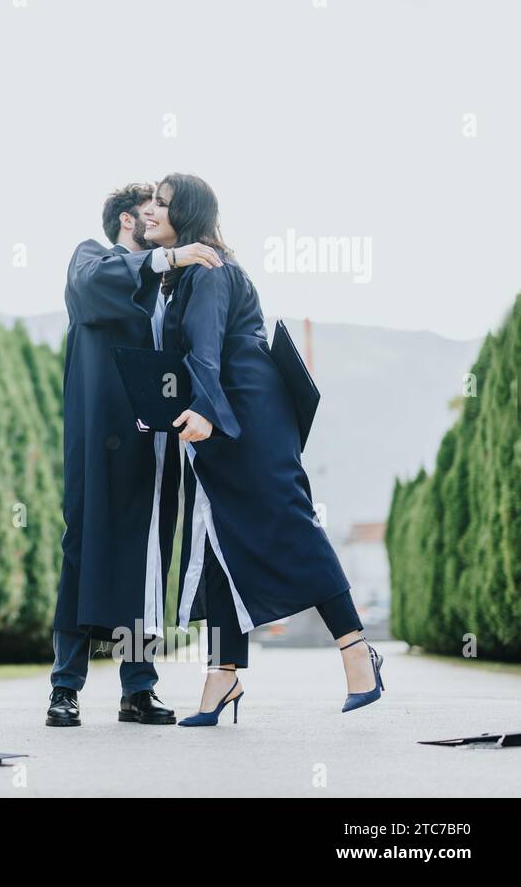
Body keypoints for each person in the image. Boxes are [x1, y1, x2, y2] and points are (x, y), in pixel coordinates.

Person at [145, 173, 384, 725]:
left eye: (162, 202)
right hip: (224, 414)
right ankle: (222, 677)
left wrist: (203, 409)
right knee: (221, 540)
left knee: (291, 521)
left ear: (190, 212)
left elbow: (206, 347)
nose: (151, 209)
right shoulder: (183, 273)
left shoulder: (210, 268)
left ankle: (357, 653)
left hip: (246, 411)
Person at [49, 185, 220, 727]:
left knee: (149, 557)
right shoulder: (93, 259)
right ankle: (65, 686)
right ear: (130, 219)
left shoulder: (170, 288)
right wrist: (166, 257)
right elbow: (86, 291)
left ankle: (138, 687)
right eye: (153, 210)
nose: (161, 217)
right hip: (100, 436)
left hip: (156, 444)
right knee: (83, 548)